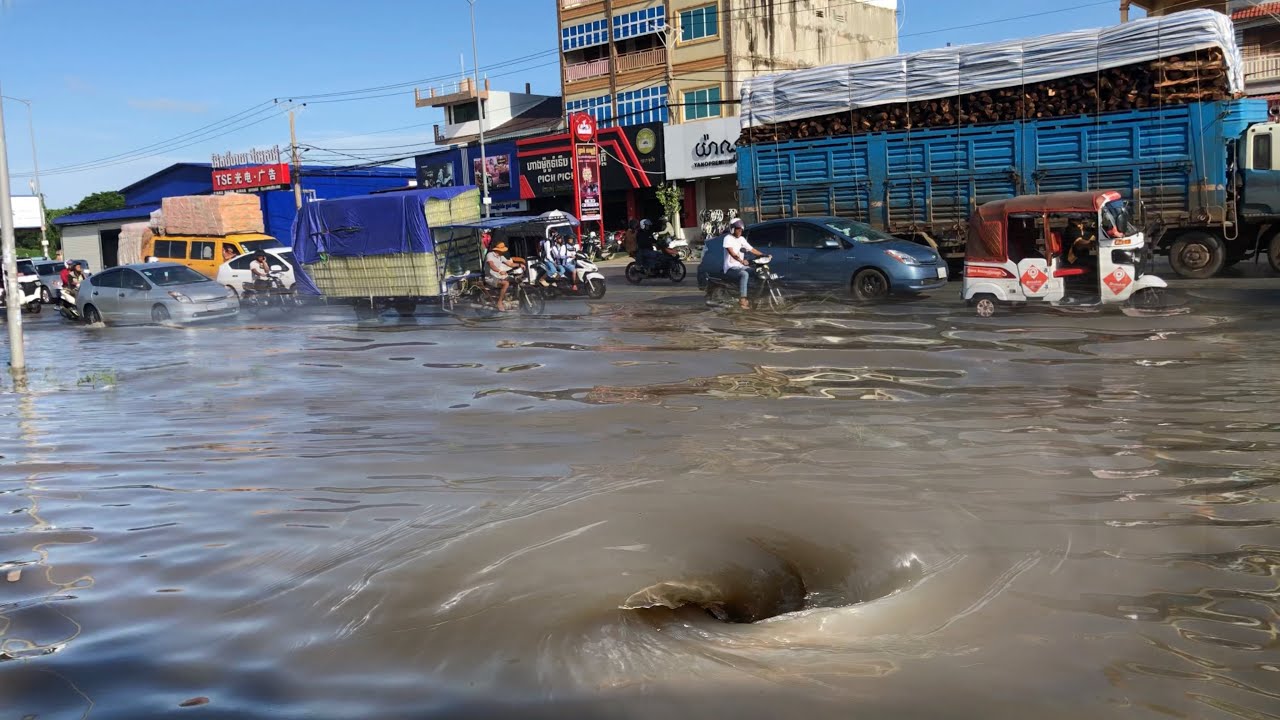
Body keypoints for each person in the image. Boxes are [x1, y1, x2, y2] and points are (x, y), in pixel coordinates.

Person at [722, 219, 764, 310]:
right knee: (744, 274)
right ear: (732, 229)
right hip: (730, 268)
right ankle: (743, 299)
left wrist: (764, 255)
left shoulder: (742, 239)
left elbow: (752, 250)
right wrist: (741, 261)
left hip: (741, 267)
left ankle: (754, 296)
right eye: (738, 229)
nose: (740, 231)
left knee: (758, 272)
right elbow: (731, 253)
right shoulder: (727, 238)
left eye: (741, 229)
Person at [484, 241, 517, 310]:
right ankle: (499, 302)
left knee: (515, 280)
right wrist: (499, 271)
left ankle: (510, 296)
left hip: (499, 276)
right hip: (490, 277)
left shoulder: (501, 256)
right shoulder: (490, 255)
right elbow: (491, 265)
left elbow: (510, 264)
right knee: (506, 283)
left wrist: (520, 265)